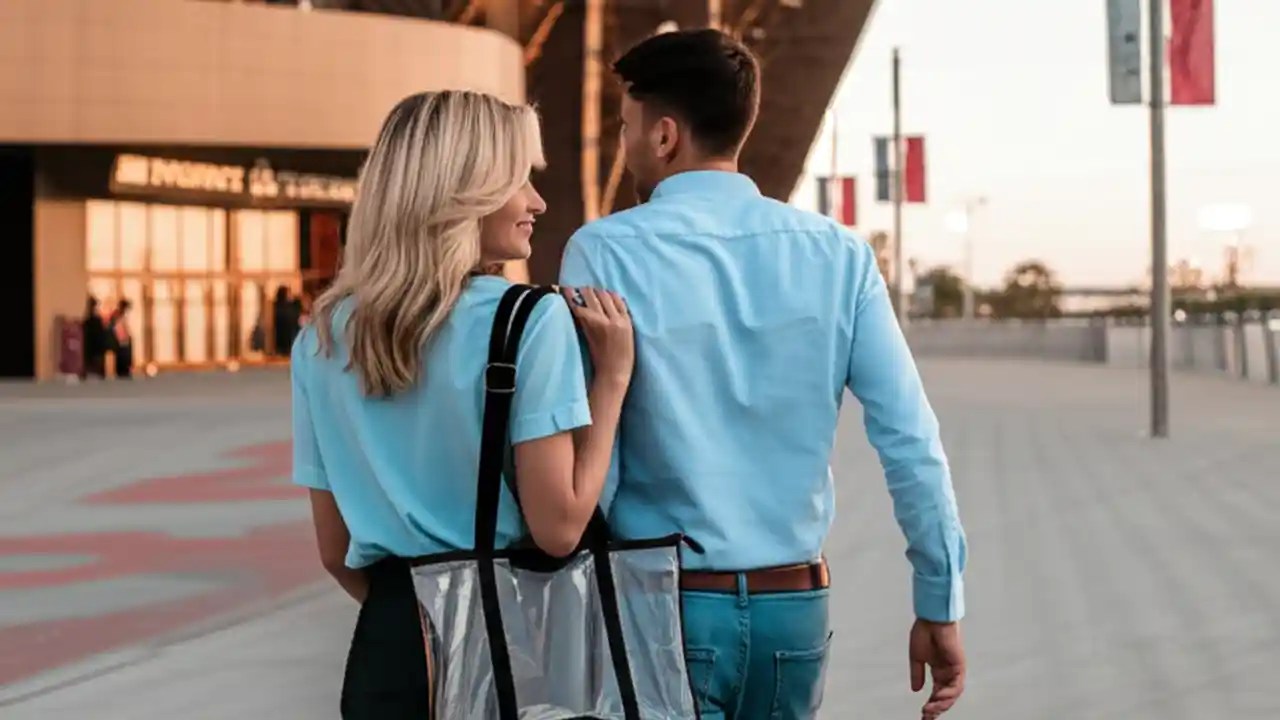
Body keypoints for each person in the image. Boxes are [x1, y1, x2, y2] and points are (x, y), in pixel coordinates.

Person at [559, 29, 968, 720]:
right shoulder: (840, 257)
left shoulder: (603, 252)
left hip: (658, 606)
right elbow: (910, 441)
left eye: (627, 127)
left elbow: (583, 450)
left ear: (664, 136)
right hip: (794, 608)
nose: (625, 145)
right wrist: (939, 599)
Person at [290, 90, 634, 719]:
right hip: (509, 643)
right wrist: (611, 380)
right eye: (517, 180)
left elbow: (335, 551)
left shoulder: (323, 334)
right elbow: (559, 528)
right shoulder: (528, 320)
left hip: (389, 648)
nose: (537, 201)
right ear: (461, 194)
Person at [81, 295, 108, 379]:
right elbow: (101, 336)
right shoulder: (96, 321)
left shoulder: (87, 321)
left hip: (90, 349)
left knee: (91, 368)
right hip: (97, 350)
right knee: (97, 369)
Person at [108, 299, 134, 379]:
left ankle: (125, 370)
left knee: (126, 356)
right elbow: (116, 327)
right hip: (121, 339)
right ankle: (122, 371)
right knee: (122, 356)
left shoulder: (121, 314)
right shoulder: (117, 315)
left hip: (124, 338)